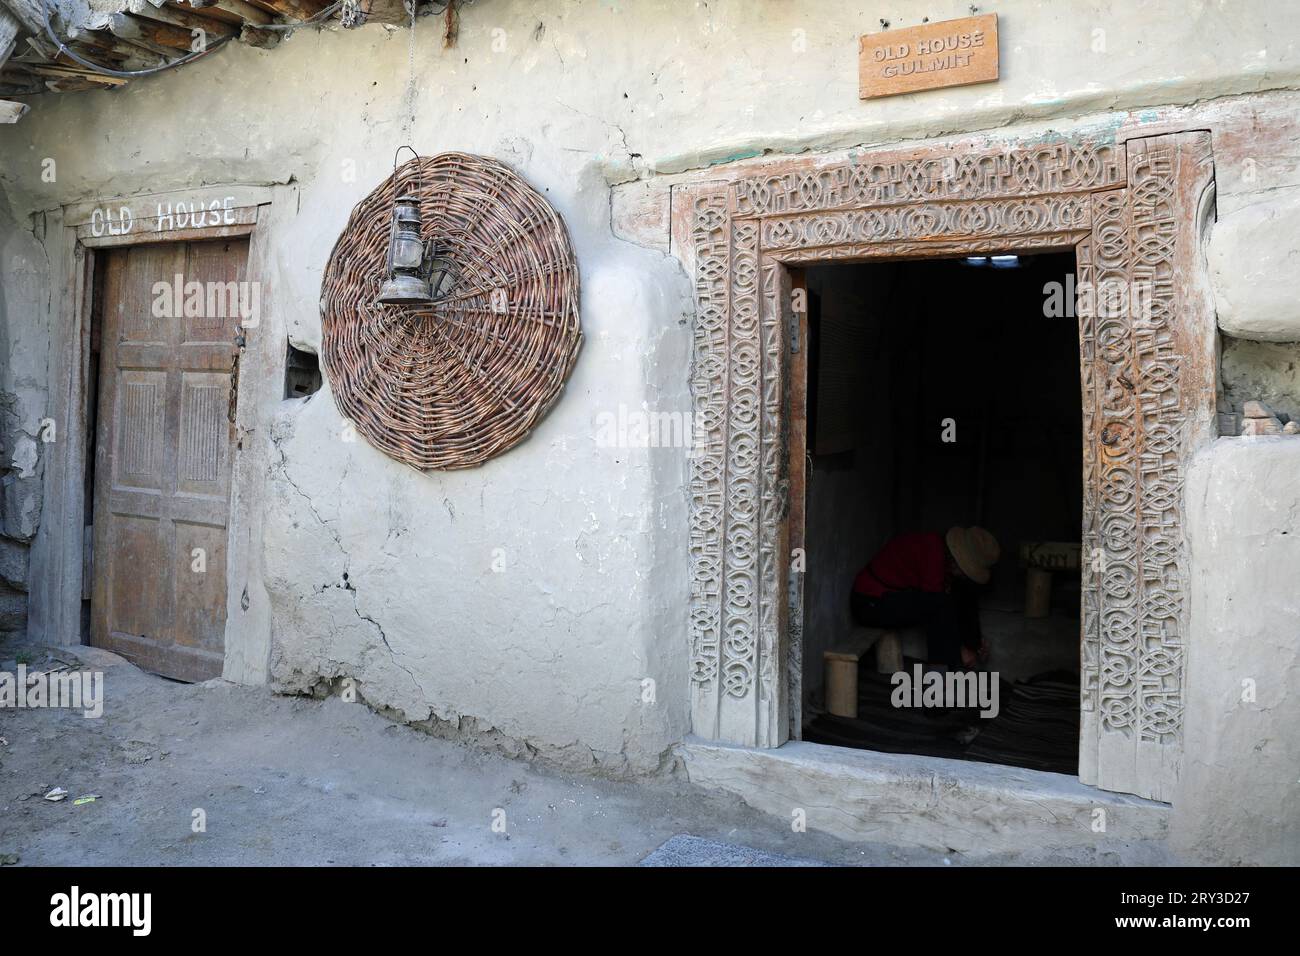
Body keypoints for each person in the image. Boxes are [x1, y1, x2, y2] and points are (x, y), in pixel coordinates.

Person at [850, 526, 1000, 670]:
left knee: (956, 596)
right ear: (958, 560)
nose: (966, 575)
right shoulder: (932, 552)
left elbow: (958, 602)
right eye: (967, 570)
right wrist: (960, 648)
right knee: (939, 607)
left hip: (889, 597)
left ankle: (953, 664)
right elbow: (939, 608)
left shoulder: (943, 556)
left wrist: (974, 642)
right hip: (869, 602)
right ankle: (938, 678)